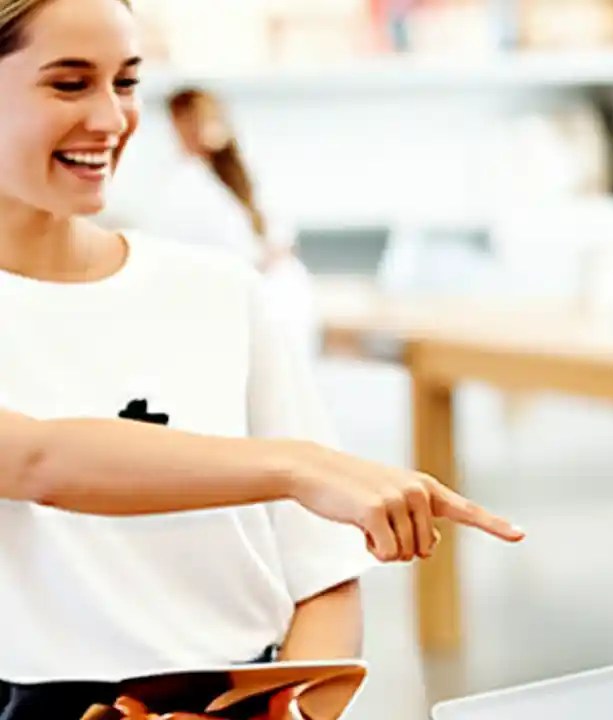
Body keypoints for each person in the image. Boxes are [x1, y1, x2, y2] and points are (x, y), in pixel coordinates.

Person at [0, 0, 523, 714]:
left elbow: (323, 571)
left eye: (125, 83)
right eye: (69, 84)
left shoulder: (220, 291)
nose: (111, 118)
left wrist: (295, 713)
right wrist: (298, 466)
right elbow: (37, 461)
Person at [105, 86, 321, 358]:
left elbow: (277, 242)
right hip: (237, 300)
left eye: (190, 119)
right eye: (178, 122)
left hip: (272, 299)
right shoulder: (179, 180)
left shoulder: (242, 172)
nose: (184, 131)